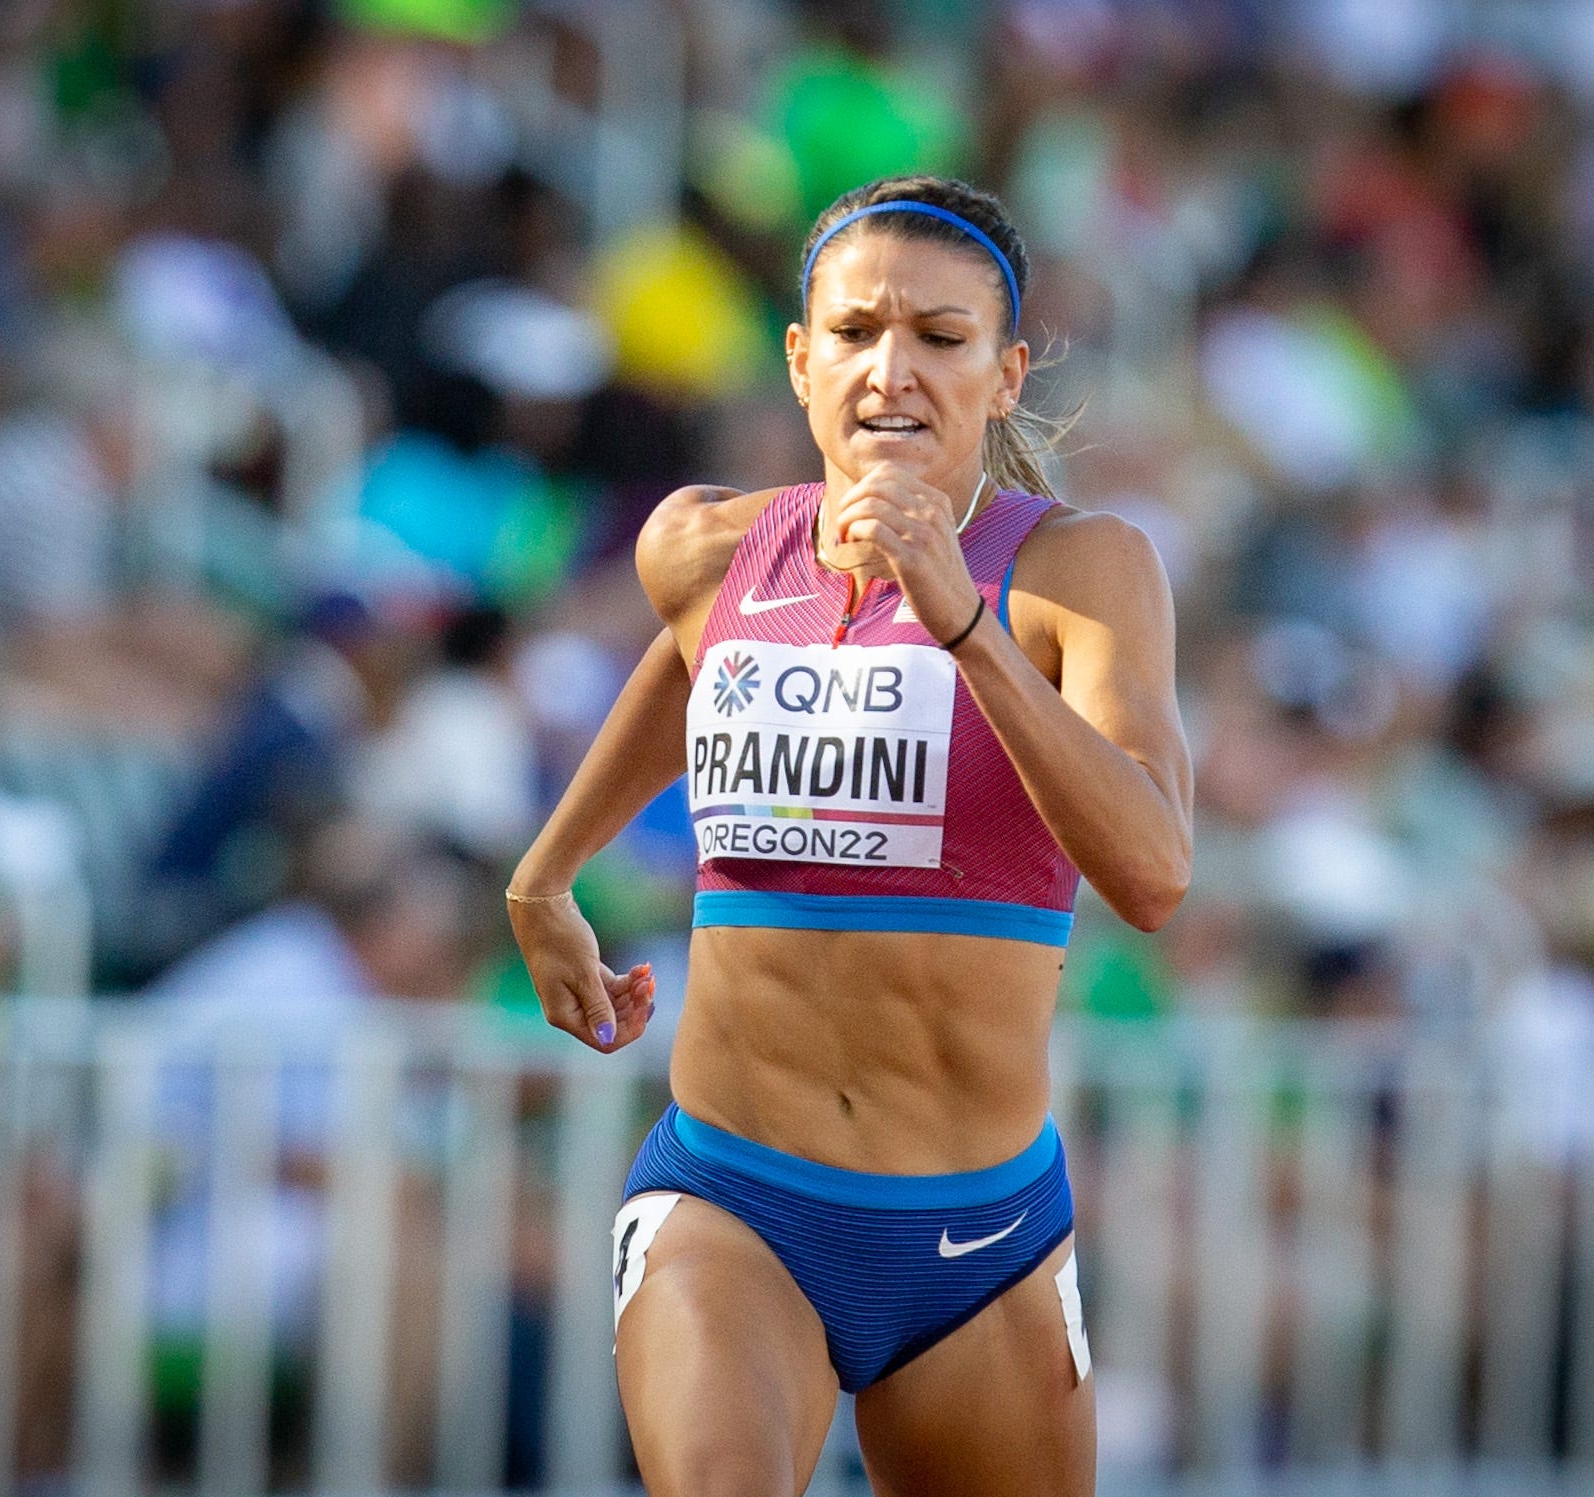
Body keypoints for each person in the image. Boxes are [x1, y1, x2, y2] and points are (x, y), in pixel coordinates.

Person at [507, 175, 1192, 1495]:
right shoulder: (705, 546)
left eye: (942, 338)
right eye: (859, 330)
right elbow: (686, 661)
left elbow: (1156, 872)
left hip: (980, 1241)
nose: (894, 369)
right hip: (733, 1197)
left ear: (1004, 376)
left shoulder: (1080, 571)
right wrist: (547, 872)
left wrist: (962, 625)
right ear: (800, 357)